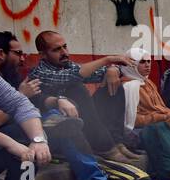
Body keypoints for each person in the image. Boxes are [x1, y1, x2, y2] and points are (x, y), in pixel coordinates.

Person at [0, 32, 130, 180]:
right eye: (18, 53)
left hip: (23, 132)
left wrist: (55, 102)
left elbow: (29, 103)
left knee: (62, 129)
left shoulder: (5, 76)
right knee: (42, 137)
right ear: (1, 54)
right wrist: (22, 97)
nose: (23, 58)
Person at [26, 30, 141, 164]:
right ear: (42, 55)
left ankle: (115, 142)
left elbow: (98, 73)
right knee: (77, 88)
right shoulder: (40, 72)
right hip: (61, 128)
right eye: (57, 49)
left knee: (114, 85)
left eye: (65, 46)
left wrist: (112, 69)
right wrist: (108, 60)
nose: (64, 52)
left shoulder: (66, 65)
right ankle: (105, 147)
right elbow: (76, 75)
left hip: (85, 120)